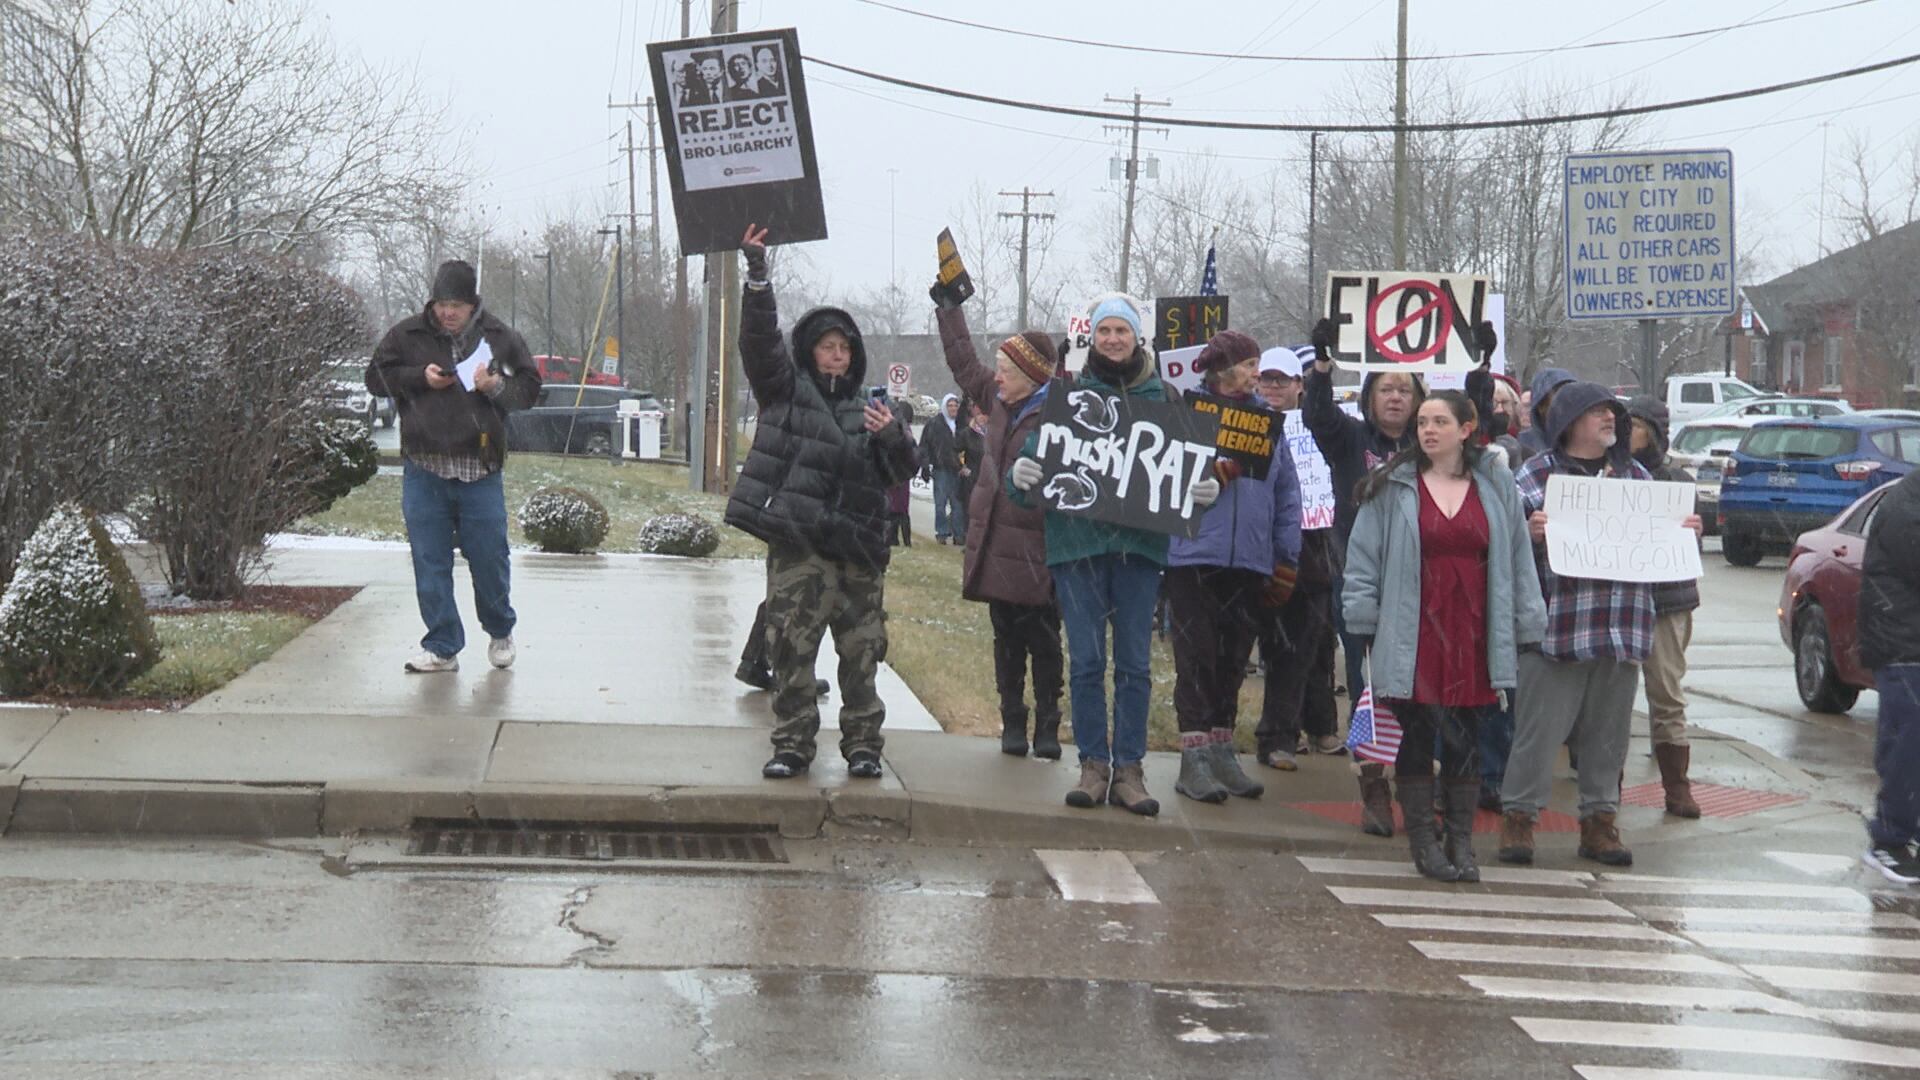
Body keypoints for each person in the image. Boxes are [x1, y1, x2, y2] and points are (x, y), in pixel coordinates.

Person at [1007, 297, 1220, 814]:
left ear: (1137, 336)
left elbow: (1185, 470)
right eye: (1104, 330)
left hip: (1139, 550)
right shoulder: (1068, 395)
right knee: (1085, 661)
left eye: (1121, 329)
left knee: (1133, 664)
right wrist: (1022, 474)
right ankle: (1092, 766)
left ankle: (1129, 769)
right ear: (1091, 338)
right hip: (1076, 548)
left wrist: (1202, 488)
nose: (1112, 339)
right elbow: (1033, 467)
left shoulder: (1165, 397)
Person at [724, 225, 920, 780]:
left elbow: (905, 470)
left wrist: (892, 438)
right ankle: (791, 745)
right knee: (791, 648)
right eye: (826, 347)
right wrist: (757, 278)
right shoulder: (786, 393)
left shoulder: (875, 410)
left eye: (844, 348)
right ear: (810, 352)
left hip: (858, 551)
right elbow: (758, 344)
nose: (836, 356)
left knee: (862, 655)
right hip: (801, 547)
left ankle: (863, 746)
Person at [1344, 391, 1546, 881]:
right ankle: (1424, 844)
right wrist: (1362, 617)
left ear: (1466, 428)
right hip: (1413, 627)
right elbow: (1363, 556)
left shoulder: (1495, 481)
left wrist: (1527, 618)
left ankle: (1461, 841)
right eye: (1422, 422)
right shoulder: (1393, 485)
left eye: (1439, 421)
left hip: (1474, 627)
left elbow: (1518, 555)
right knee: (1417, 733)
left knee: (1466, 737)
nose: (1428, 430)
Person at [1499, 382, 1702, 867]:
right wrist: (1528, 533)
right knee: (1538, 734)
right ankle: (1519, 820)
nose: (1610, 420)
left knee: (1608, 738)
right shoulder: (1536, 475)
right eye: (1598, 414)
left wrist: (1684, 533)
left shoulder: (1636, 479)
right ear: (1570, 422)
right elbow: (1501, 541)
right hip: (1558, 630)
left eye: (1613, 413)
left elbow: (1663, 552)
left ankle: (1599, 824)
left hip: (1621, 628)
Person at [366, 258, 540, 674]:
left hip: (479, 468)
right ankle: (442, 644)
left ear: (472, 304)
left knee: (489, 558)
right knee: (429, 559)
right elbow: (375, 378)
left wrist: (495, 385)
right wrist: (418, 378)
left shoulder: (501, 338)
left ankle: (500, 631)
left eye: (456, 305)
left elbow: (529, 390)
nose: (447, 312)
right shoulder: (407, 335)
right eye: (442, 303)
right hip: (424, 466)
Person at [1166, 331, 1302, 803]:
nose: (1256, 375)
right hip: (1193, 556)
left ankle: (1223, 749)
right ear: (1223, 370)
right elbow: (1163, 475)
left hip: (1249, 559)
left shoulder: (1268, 423)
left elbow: (1288, 494)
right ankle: (1194, 756)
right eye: (1249, 366)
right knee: (1196, 657)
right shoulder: (1188, 414)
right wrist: (1201, 480)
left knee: (1232, 660)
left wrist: (1286, 557)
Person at [1303, 318, 1426, 837]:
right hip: (1363, 584)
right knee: (1368, 687)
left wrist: (1483, 376)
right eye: (1385, 388)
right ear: (1370, 397)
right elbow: (1317, 415)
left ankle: (1419, 787)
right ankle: (1373, 787)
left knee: (1422, 689)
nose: (1395, 398)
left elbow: (1478, 424)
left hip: (1423, 587)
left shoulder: (1433, 444)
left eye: (1405, 389)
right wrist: (1324, 366)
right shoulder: (1351, 440)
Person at [931, 282, 1064, 758]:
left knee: (1046, 643)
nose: (998, 376)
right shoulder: (997, 398)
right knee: (1006, 640)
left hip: (1041, 550)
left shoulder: (1062, 412)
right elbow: (964, 364)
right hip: (996, 548)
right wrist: (949, 310)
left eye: (1007, 369)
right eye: (1000, 368)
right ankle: (1012, 719)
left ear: (1031, 375)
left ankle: (1048, 724)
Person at [1251, 345, 1342, 768]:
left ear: (1298, 386)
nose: (1272, 387)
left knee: (1309, 643)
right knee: (1275, 646)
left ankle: (1304, 729)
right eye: (1266, 378)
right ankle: (1278, 734)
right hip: (1257, 549)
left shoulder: (1317, 426)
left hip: (1311, 549)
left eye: (1281, 380)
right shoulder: (1244, 423)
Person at [1627, 396, 1702, 818]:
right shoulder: (1609, 476)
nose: (1626, 432)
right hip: (1617, 600)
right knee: (1611, 698)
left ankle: (1676, 785)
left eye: (1635, 425)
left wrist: (1693, 529)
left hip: (1666, 602)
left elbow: (1688, 535)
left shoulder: (1675, 481)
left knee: (1667, 693)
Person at [1857, 467, 1920, 885]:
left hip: (1906, 641)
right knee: (1906, 748)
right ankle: (1889, 840)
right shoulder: (1907, 508)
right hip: (1905, 645)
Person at [922, 393, 968, 544]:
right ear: (944, 407)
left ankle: (958, 534)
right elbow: (924, 446)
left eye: (956, 405)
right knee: (940, 504)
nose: (953, 408)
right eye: (950, 405)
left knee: (957, 505)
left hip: (958, 471)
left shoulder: (962, 424)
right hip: (940, 469)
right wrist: (924, 466)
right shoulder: (934, 424)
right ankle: (942, 532)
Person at [1516, 367, 1576, 458]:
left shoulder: (1591, 441)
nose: (1567, 404)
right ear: (1541, 406)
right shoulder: (1520, 445)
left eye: (1572, 397)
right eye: (1560, 398)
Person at [886, 399, 919, 547]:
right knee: (901, 509)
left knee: (894, 509)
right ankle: (903, 539)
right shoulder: (906, 431)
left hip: (895, 474)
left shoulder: (900, 431)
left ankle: (895, 538)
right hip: (902, 475)